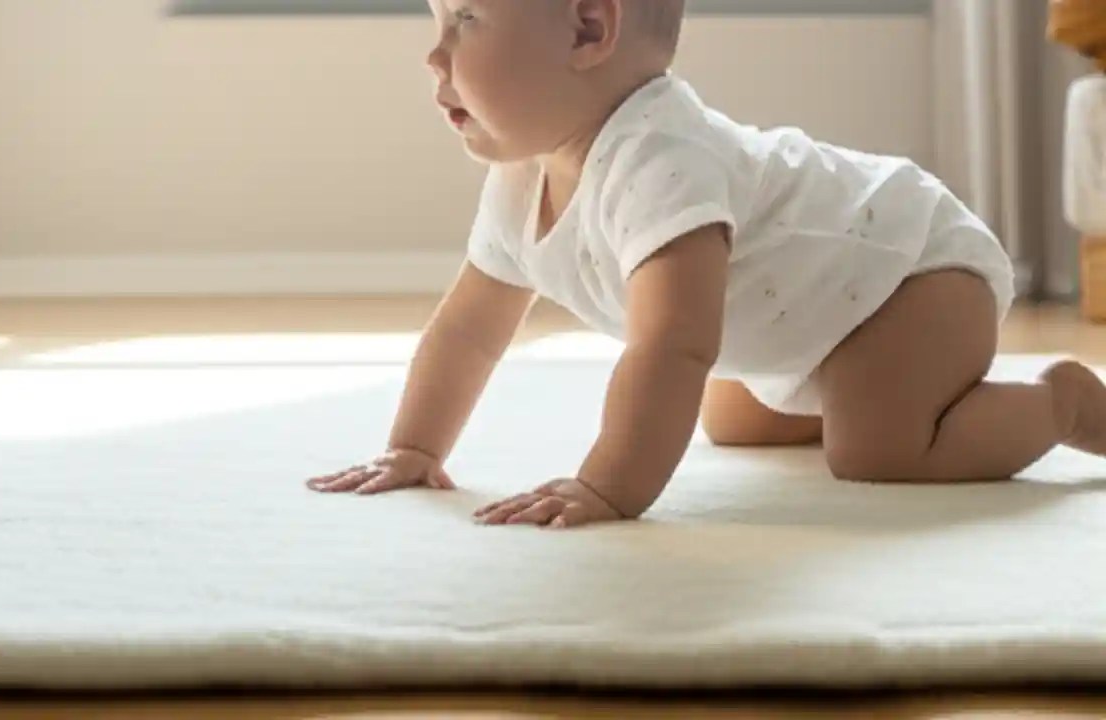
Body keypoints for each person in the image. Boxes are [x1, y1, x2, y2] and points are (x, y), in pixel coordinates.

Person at [307, 0, 1106, 529]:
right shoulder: (525, 173)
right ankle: (850, 383)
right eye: (438, 16)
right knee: (732, 419)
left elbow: (671, 344)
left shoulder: (660, 158)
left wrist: (609, 485)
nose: (433, 53)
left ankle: (1059, 403)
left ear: (588, 29)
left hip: (913, 275)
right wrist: (416, 448)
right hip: (823, 311)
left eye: (468, 19)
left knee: (876, 450)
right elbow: (470, 331)